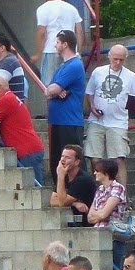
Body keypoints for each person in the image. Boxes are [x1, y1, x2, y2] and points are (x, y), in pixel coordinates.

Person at [83, 43, 135, 182]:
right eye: (115, 59)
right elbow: (90, 92)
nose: (117, 62)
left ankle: (121, 194)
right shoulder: (98, 72)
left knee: (118, 159)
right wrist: (92, 106)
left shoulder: (131, 76)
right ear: (109, 57)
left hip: (118, 122)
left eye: (121, 60)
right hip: (97, 120)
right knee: (94, 158)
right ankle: (100, 191)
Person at [44, 30, 86, 179]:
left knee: (72, 162)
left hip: (69, 122)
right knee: (58, 161)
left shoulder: (74, 65)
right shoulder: (62, 67)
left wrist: (54, 90)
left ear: (65, 44)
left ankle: (80, 195)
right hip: (58, 121)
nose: (55, 45)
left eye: (57, 42)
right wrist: (53, 90)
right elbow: (48, 90)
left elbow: (53, 89)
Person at [34, 0, 82, 83]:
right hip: (70, 52)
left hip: (51, 50)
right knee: (69, 84)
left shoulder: (43, 9)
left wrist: (37, 53)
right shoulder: (71, 8)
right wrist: (77, 50)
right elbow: (79, 31)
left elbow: (41, 32)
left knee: (49, 84)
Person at [85, 158, 130, 270]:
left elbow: (103, 214)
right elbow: (89, 217)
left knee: (113, 269)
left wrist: (99, 214)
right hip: (98, 234)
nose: (94, 172)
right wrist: (99, 214)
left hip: (113, 236)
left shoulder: (118, 188)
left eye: (97, 170)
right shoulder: (100, 189)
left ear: (105, 173)